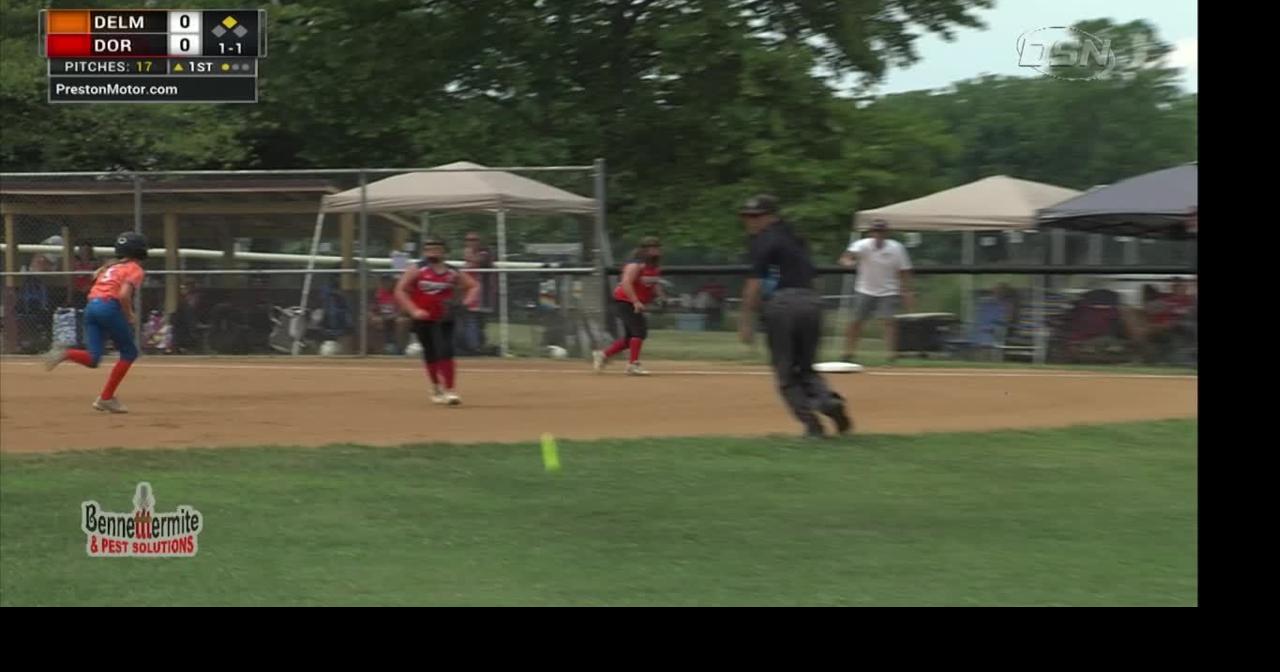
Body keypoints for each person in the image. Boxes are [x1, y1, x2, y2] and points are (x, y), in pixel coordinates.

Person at [737, 195, 851, 439]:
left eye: (755, 216)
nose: (750, 221)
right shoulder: (795, 236)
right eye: (746, 216)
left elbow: (754, 284)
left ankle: (813, 426)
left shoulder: (761, 241)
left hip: (782, 304)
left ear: (771, 216)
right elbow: (812, 274)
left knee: (786, 373)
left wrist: (746, 321)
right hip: (810, 300)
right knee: (807, 368)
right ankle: (827, 400)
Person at [42, 232, 149, 413]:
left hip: (92, 307)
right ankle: (105, 398)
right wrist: (130, 314)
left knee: (93, 358)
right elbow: (123, 294)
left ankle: (66, 353)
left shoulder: (110, 267)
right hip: (109, 307)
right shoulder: (134, 269)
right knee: (129, 353)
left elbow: (94, 277)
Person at [395, 238, 480, 405]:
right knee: (431, 352)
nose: (432, 252)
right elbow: (400, 289)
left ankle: (450, 390)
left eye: (436, 249)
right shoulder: (418, 269)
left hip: (444, 317)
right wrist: (414, 310)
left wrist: (465, 303)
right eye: (429, 249)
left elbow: (474, 285)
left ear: (444, 251)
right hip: (424, 318)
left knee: (446, 350)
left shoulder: (452, 272)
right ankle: (435, 386)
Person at [838, 219, 915, 364]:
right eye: (875, 231)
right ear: (871, 233)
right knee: (856, 321)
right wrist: (848, 262)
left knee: (889, 322)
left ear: (886, 233)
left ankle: (891, 354)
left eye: (881, 231)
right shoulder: (862, 245)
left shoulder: (897, 248)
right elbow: (846, 257)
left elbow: (904, 270)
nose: (878, 234)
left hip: (888, 289)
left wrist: (907, 290)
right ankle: (848, 353)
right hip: (865, 288)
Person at [593, 236, 664, 376]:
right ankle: (633, 364)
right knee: (639, 331)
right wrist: (635, 301)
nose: (657, 250)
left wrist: (661, 296)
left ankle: (603, 355)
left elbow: (653, 284)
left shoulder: (654, 268)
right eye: (652, 248)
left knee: (629, 339)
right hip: (624, 301)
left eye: (657, 247)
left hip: (634, 302)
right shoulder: (635, 265)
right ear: (644, 250)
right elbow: (626, 283)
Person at [459, 231, 495, 355]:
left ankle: (477, 346)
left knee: (479, 322)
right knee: (471, 319)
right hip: (470, 294)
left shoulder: (485, 252)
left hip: (483, 293)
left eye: (474, 240)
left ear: (479, 241)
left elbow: (481, 261)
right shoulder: (468, 258)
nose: (471, 242)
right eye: (468, 240)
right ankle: (474, 347)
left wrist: (468, 255)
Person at [71, 241, 98, 309]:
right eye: (82, 250)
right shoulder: (76, 261)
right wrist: (88, 268)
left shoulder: (94, 261)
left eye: (87, 250)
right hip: (78, 290)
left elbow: (95, 276)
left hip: (89, 290)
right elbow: (80, 275)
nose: (85, 253)